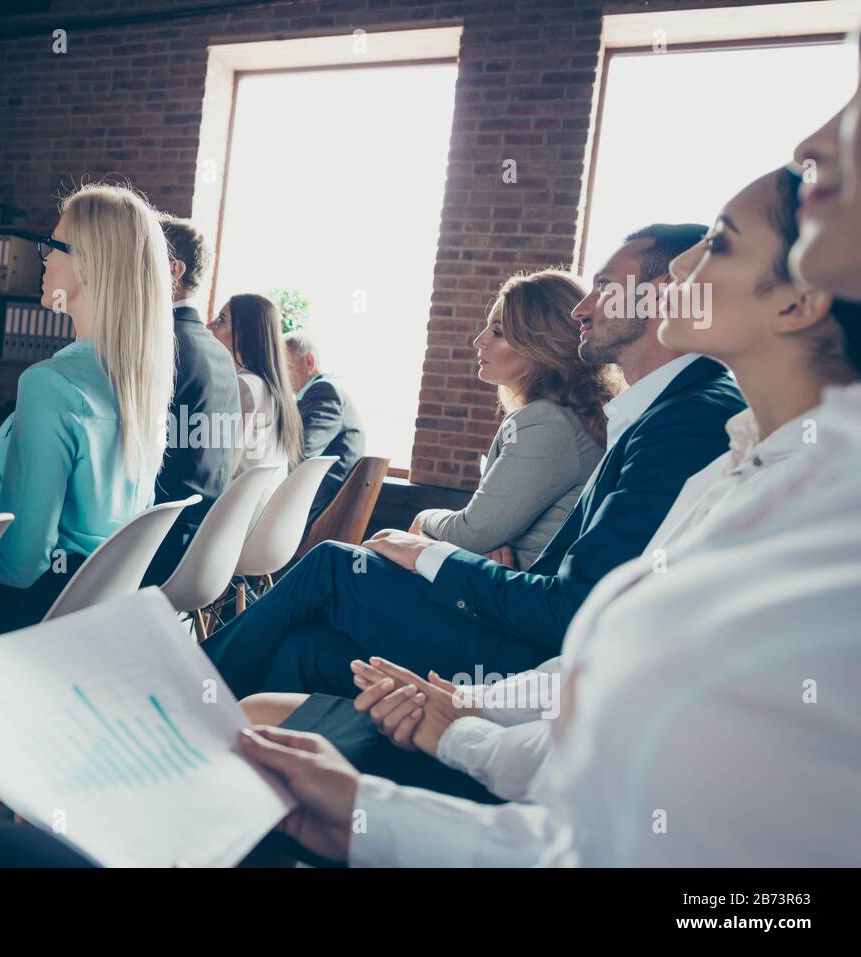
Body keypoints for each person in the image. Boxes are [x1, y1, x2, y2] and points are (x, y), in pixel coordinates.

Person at [303, 165, 861, 802]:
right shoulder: (730, 454)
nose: (681, 272)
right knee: (305, 654)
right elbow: (601, 657)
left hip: (584, 763)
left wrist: (461, 727)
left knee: (331, 579)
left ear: (798, 302)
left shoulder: (715, 438)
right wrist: (468, 707)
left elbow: (600, 660)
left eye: (721, 244)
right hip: (547, 708)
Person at [201, 224, 745, 699]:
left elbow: (571, 607)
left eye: (603, 287)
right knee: (305, 649)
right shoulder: (656, 408)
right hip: (527, 622)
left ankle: (166, 694)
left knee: (335, 568)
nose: (584, 307)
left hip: (545, 660)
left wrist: (429, 551)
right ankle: (203, 756)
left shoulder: (685, 419)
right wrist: (486, 566)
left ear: (666, 295)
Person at [0, 184, 176, 638]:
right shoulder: (139, 386)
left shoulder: (49, 384)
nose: (44, 258)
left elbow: (18, 568)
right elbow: (92, 524)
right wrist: (11, 499)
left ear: (89, 263)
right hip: (88, 623)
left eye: (53, 245)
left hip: (20, 621)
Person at [407, 270, 616, 571]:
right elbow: (481, 535)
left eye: (498, 332)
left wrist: (423, 518)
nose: (479, 341)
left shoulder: (546, 422)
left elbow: (472, 533)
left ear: (542, 344)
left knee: (334, 560)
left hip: (511, 599)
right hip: (499, 582)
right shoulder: (563, 417)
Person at [142, 216, 240, 586]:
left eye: (143, 259)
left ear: (173, 270)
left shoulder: (164, 345)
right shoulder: (216, 351)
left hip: (156, 544)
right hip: (202, 541)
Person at [208, 294, 303, 484]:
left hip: (231, 510)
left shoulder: (245, 386)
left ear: (245, 333)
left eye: (221, 320)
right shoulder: (273, 389)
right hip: (260, 509)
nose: (209, 326)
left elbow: (222, 468)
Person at [281, 331, 367, 526]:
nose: (281, 374)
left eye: (285, 366)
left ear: (309, 362)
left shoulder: (324, 391)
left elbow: (302, 452)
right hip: (316, 503)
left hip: (316, 509)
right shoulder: (321, 391)